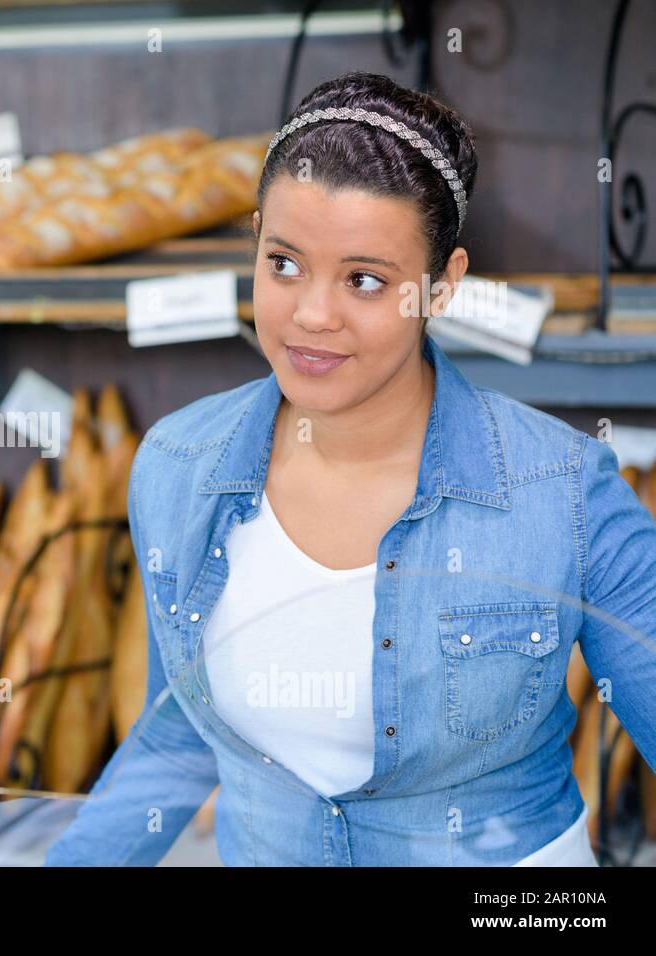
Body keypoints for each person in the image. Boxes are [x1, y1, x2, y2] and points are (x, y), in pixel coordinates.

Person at [47, 71, 656, 866]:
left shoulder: (563, 493)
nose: (312, 315)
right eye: (285, 264)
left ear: (442, 286)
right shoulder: (175, 467)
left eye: (365, 280)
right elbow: (183, 734)